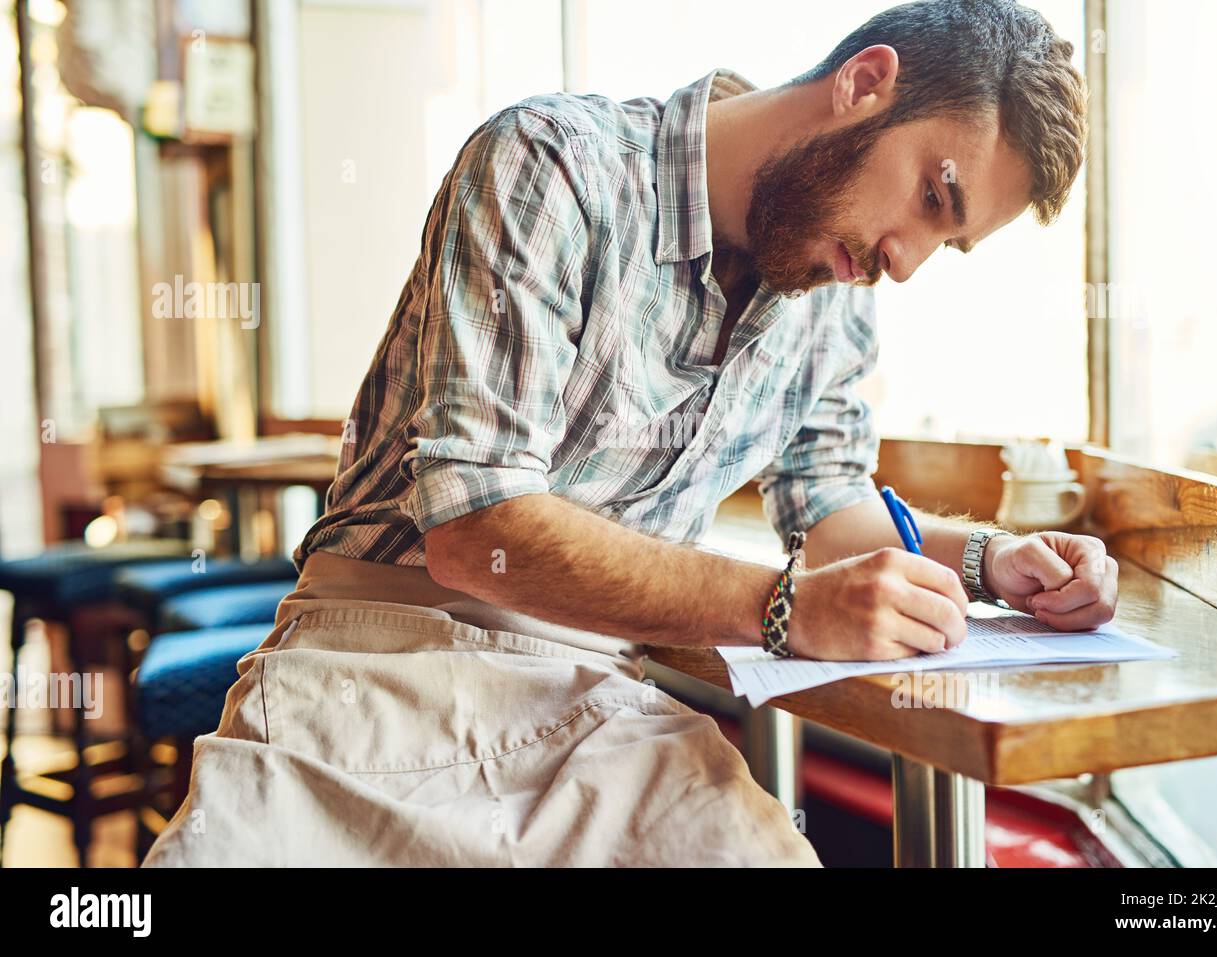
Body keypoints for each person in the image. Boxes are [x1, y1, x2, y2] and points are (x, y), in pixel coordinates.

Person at [145, 0, 1113, 867]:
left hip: (596, 709)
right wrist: (783, 606)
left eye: (948, 243)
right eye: (930, 200)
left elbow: (830, 513)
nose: (905, 263)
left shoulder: (836, 301)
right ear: (864, 85)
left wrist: (991, 562)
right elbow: (475, 526)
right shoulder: (553, 165)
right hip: (374, 667)